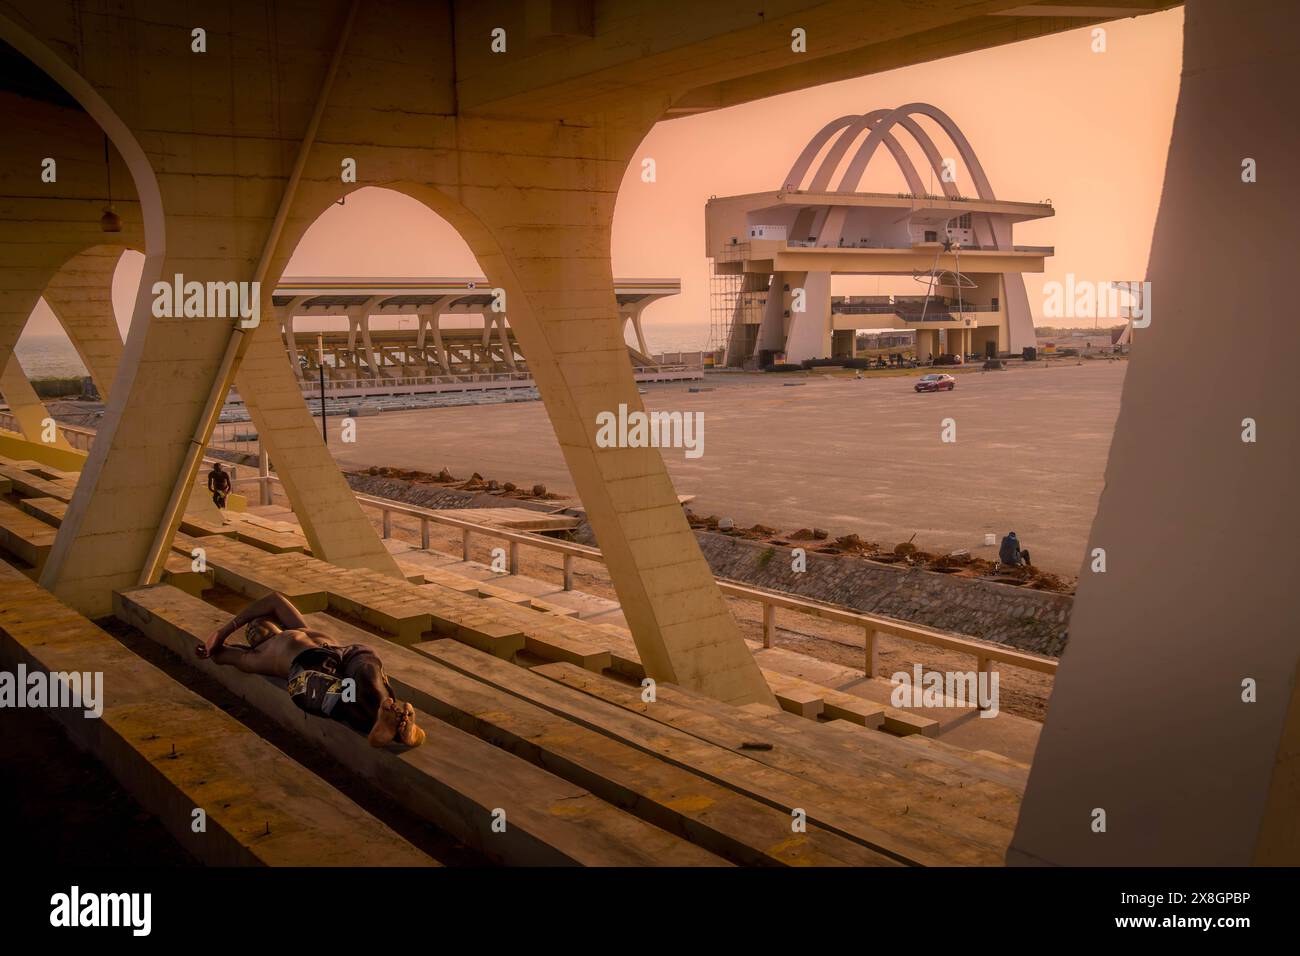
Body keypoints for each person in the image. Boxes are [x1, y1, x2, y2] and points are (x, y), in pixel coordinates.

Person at [196, 592, 425, 748]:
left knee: (366, 668)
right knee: (344, 698)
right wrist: (214, 645)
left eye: (256, 623)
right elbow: (221, 656)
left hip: (343, 653)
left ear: (274, 622)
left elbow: (274, 599)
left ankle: (389, 718)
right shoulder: (254, 656)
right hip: (306, 670)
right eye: (250, 633)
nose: (253, 629)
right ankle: (398, 723)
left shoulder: (300, 628)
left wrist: (229, 628)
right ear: (249, 644)